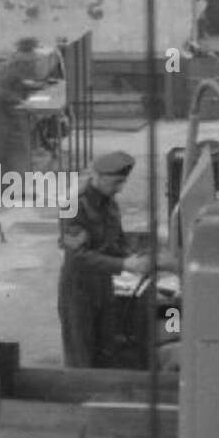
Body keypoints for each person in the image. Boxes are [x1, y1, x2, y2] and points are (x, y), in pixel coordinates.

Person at [58, 151, 156, 368]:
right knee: (81, 354)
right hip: (79, 289)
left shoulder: (109, 202)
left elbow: (116, 242)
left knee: (106, 349)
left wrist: (134, 255)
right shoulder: (73, 204)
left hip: (104, 284)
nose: (120, 189)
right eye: (116, 183)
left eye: (123, 183)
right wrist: (124, 265)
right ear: (98, 177)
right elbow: (77, 257)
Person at [0, 37, 49, 178]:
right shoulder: (11, 67)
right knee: (8, 155)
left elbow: (19, 82)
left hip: (13, 115)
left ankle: (16, 188)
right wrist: (21, 102)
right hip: (3, 117)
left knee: (17, 154)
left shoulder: (15, 63)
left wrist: (33, 87)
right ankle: (8, 189)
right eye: (28, 63)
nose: (30, 64)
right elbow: (1, 92)